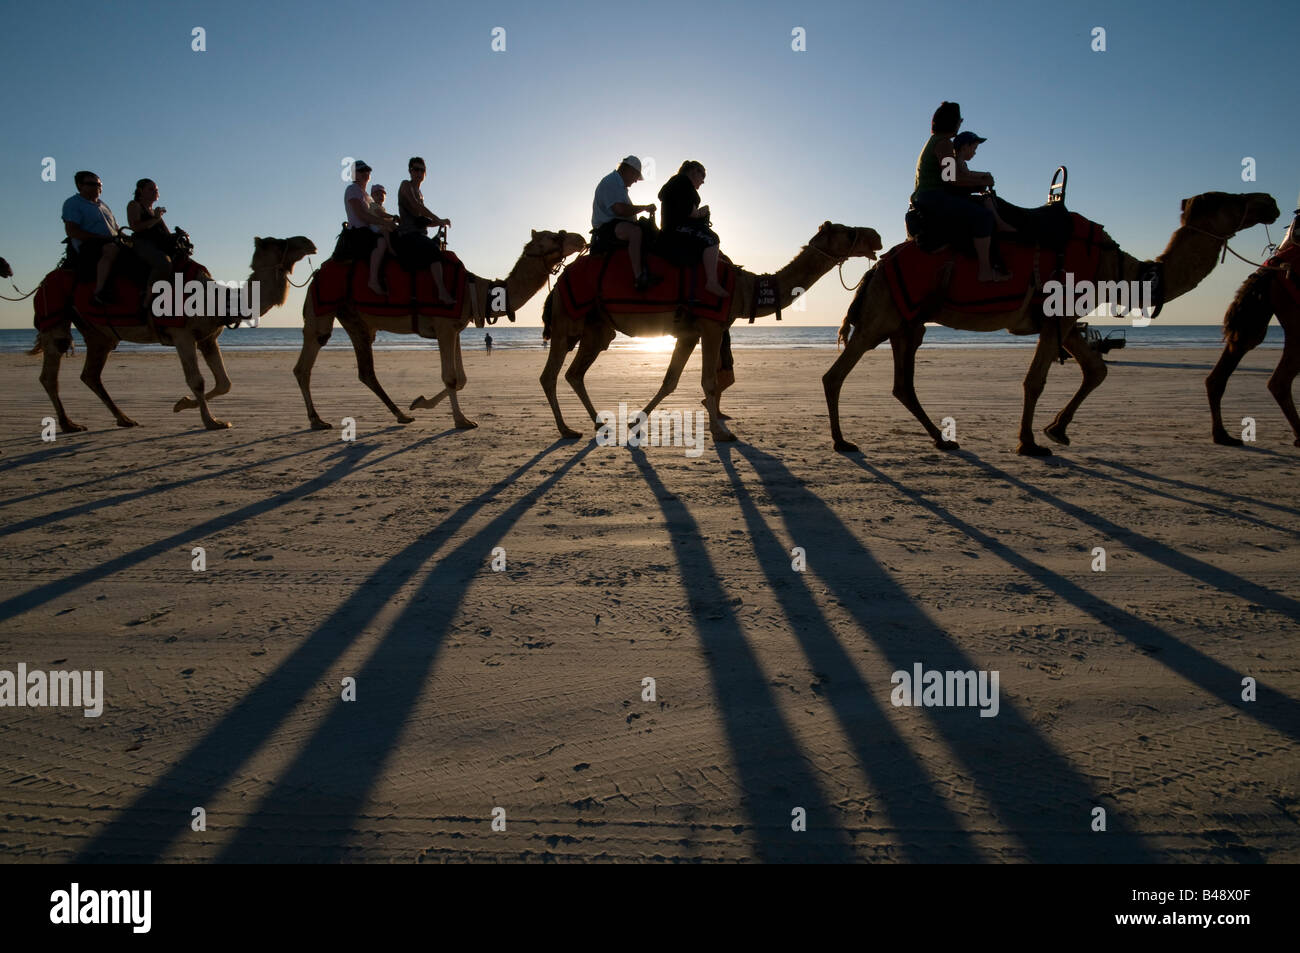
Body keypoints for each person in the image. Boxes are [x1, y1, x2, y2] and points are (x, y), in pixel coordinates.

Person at [911, 102, 1009, 282]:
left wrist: (978, 182)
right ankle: (986, 271)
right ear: (953, 122)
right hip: (934, 198)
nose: (960, 123)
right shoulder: (944, 143)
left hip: (929, 196)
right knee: (983, 217)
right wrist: (982, 182)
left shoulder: (935, 142)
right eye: (960, 120)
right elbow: (951, 178)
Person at [659, 160, 727, 298]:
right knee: (712, 239)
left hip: (670, 229)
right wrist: (702, 212)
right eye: (702, 176)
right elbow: (689, 212)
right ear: (693, 171)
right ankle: (712, 282)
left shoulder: (675, 184)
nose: (703, 181)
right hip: (676, 230)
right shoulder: (683, 182)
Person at [592, 156, 659, 292]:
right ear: (628, 170)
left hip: (616, 225)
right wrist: (644, 207)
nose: (635, 181)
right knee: (635, 232)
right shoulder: (611, 182)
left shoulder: (619, 186)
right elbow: (619, 209)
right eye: (635, 176)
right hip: (607, 228)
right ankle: (639, 277)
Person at [396, 157, 454, 306]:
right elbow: (416, 208)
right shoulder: (406, 186)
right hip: (408, 235)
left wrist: (441, 222)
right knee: (433, 251)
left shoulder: (420, 193)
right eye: (416, 169)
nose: (419, 172)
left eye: (422, 170)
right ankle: (441, 292)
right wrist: (438, 219)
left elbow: (422, 220)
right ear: (410, 171)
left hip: (420, 234)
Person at [62, 171, 122, 306]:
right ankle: (100, 292)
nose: (97, 187)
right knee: (111, 249)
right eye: (92, 184)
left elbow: (115, 229)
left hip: (111, 241)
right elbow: (71, 231)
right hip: (88, 246)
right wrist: (99, 237)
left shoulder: (103, 205)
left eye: (100, 184)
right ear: (79, 185)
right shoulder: (73, 203)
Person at [342, 160, 396, 296]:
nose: (365, 173)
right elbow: (361, 215)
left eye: (367, 170)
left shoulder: (367, 196)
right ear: (354, 175)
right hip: (359, 232)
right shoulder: (352, 190)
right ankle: (373, 280)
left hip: (368, 230)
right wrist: (384, 223)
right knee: (381, 242)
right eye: (361, 171)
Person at [948, 132, 1015, 234]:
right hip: (958, 197)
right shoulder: (959, 161)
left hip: (958, 196)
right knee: (987, 200)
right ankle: (999, 224)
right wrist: (984, 175)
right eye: (974, 149)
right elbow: (967, 174)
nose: (975, 153)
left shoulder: (956, 161)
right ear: (965, 147)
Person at [126, 178, 174, 301]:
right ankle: (148, 299)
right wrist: (155, 218)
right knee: (163, 263)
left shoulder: (155, 212)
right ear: (140, 191)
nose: (155, 192)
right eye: (151, 189)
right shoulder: (134, 205)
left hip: (160, 244)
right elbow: (135, 227)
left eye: (156, 190)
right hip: (142, 243)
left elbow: (166, 233)